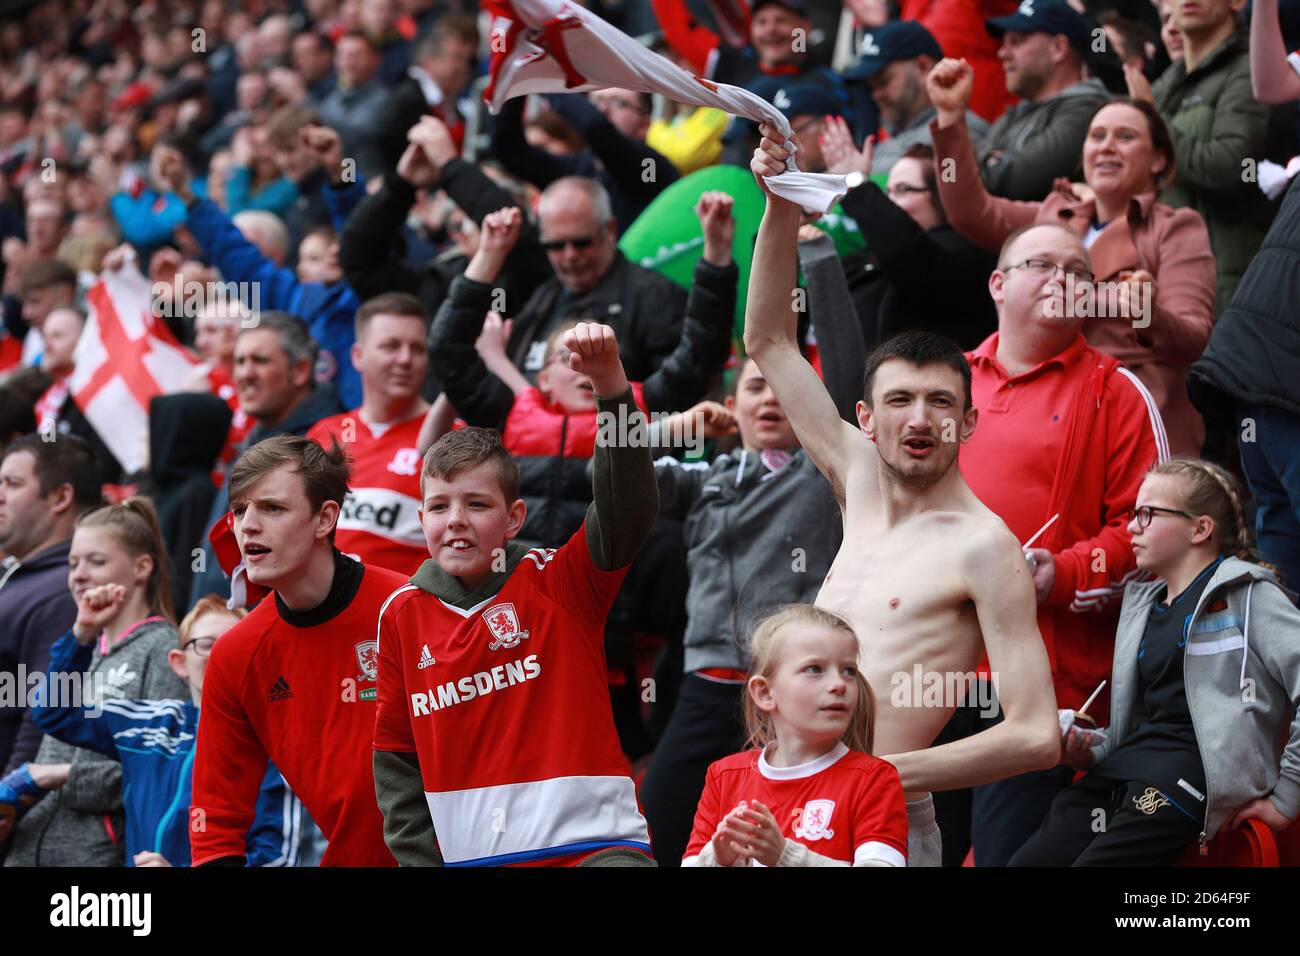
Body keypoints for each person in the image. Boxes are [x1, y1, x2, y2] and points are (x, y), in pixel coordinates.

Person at [745, 122, 1060, 867]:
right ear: (865, 418)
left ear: (969, 421)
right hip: (779, 792)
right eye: (899, 402)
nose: (919, 420)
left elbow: (1036, 734)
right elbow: (769, 341)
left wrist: (878, 774)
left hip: (879, 816)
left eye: (940, 403)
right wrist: (781, 197)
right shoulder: (854, 473)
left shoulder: (984, 546)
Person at [372, 323, 659, 866]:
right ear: (421, 519)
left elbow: (630, 507)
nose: (455, 521)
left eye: (477, 505)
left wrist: (611, 389)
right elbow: (397, 762)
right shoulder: (400, 615)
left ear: (514, 518)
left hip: (596, 848)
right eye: (439, 507)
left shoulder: (562, 580)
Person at [1011, 460, 1300, 865]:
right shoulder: (1142, 606)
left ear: (1200, 529)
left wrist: (1288, 797)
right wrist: (1086, 749)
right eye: (1133, 514)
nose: (1132, 527)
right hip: (1122, 772)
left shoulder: (1249, 593)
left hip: (1182, 783)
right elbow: (1141, 728)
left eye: (1148, 514)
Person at [927, 57, 1216, 456]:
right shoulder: (1054, 214)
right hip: (1044, 410)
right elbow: (967, 210)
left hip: (1131, 418)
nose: (1106, 147)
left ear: (1159, 159)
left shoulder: (1175, 227)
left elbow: (1194, 339)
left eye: (1125, 137)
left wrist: (1146, 313)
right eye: (1096, 136)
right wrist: (950, 118)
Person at [640, 355, 848, 865]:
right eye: (758, 388)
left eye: (784, 389)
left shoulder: (827, 475)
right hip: (708, 684)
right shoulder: (703, 477)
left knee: (777, 836)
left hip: (793, 690)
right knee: (653, 821)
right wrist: (679, 426)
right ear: (733, 406)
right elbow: (610, 465)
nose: (773, 398)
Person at [190, 436, 405, 866]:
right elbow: (215, 821)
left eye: (272, 508)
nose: (247, 525)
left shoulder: (408, 608)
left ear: (325, 518)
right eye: (239, 510)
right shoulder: (236, 654)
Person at [29, 596, 303, 867]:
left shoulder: (270, 744)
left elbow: (276, 858)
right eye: (206, 644)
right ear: (179, 662)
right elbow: (53, 711)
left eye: (233, 643)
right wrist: (83, 633)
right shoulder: (147, 723)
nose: (220, 654)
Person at [2, 498, 188, 865]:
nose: (79, 575)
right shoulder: (76, 647)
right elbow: (46, 719)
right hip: (28, 851)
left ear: (142, 568)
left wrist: (59, 776)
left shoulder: (164, 650)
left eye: (96, 562)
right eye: (73, 563)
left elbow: (160, 771)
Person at [1187, 0, 1300, 591]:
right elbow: (1273, 82)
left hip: (1255, 374)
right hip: (1267, 379)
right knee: (1281, 594)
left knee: (1281, 590)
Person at [682, 604, 908, 866]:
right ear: (765, 693)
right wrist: (719, 859)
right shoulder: (723, 776)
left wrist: (785, 857)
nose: (838, 684)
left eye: (849, 670)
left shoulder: (874, 778)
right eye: (814, 669)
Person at [457, 176, 688, 387]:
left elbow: (674, 392)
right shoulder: (543, 296)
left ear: (610, 230)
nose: (570, 256)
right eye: (556, 246)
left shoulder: (655, 297)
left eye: (581, 243)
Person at [188, 313, 345, 608]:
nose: (245, 374)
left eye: (259, 361)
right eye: (239, 361)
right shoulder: (255, 439)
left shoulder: (326, 448)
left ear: (300, 370)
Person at [1139, 0, 1283, 314]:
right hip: (1162, 280)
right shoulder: (1163, 85)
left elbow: (1232, 167)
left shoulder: (1252, 69)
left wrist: (1150, 118)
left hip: (1230, 288)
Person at [817, 126, 997, 351]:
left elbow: (911, 257)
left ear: (943, 195)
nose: (890, 202)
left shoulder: (970, 248)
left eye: (902, 190)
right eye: (888, 192)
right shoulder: (869, 258)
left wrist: (858, 185)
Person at [307, 293, 430, 575]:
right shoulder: (325, 433)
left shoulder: (450, 438)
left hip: (402, 612)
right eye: (391, 346)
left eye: (418, 349)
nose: (405, 359)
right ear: (358, 356)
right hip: (321, 611)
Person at [0, 434, 101, 774]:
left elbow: (42, 716)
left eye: (12, 484)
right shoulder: (20, 575)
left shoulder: (63, 591)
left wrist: (7, 804)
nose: (0, 495)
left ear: (60, 497)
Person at [978, 0, 1110, 199]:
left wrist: (989, 163)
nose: (1002, 53)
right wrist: (988, 163)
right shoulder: (1017, 112)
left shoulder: (1089, 110)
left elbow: (1012, 181)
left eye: (1016, 41)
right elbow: (961, 175)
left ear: (1058, 48)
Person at [842, 19, 989, 175]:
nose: (876, 95)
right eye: (871, 86)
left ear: (923, 67)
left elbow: (951, 185)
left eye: (883, 81)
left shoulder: (961, 132)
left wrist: (859, 182)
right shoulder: (886, 143)